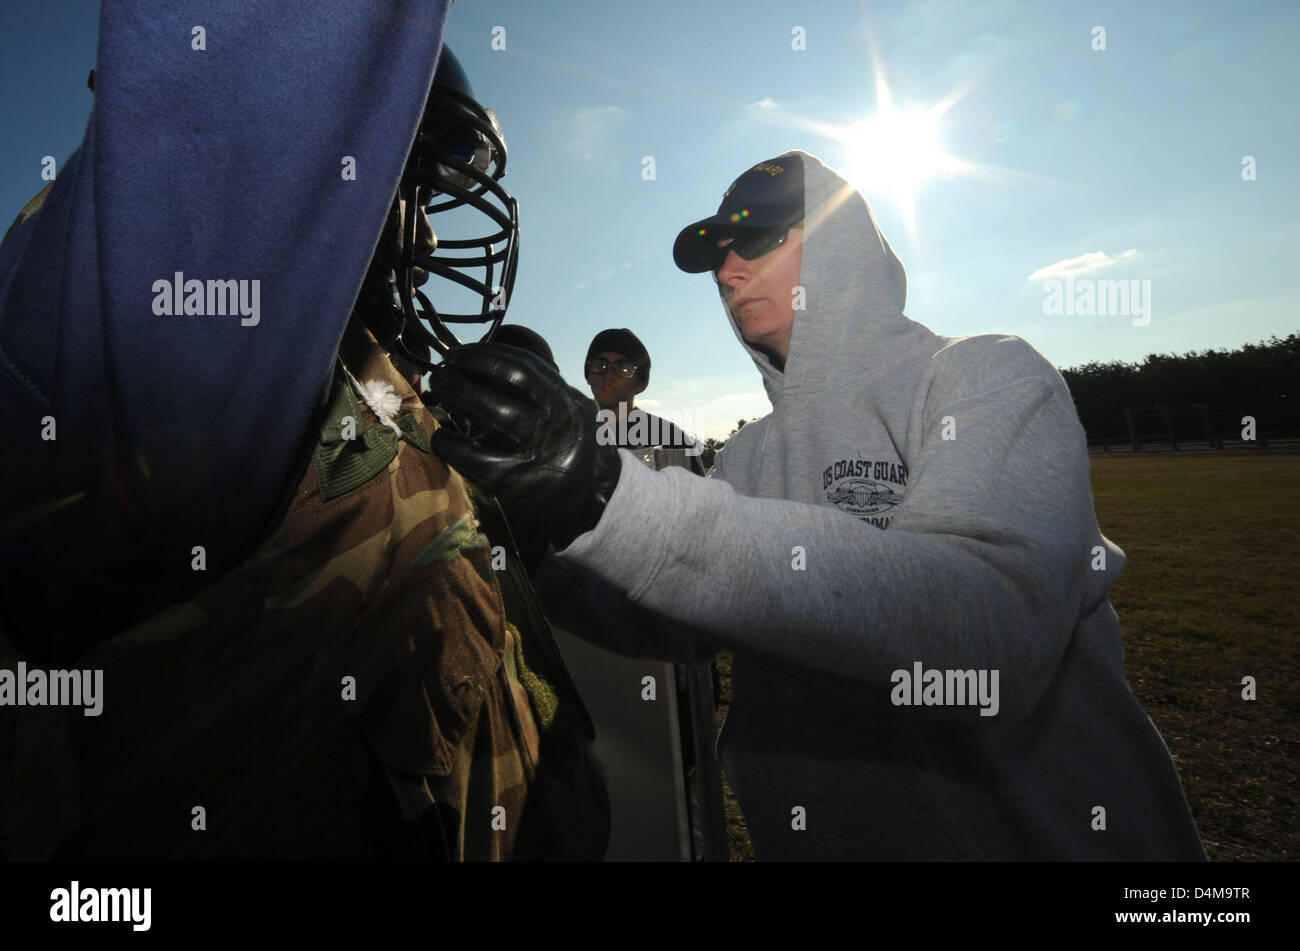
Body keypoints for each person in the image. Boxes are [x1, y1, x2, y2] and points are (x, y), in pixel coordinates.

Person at [427, 150, 1208, 860]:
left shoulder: (985, 375)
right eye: (714, 258)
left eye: (755, 239)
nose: (727, 272)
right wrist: (538, 535)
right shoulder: (750, 453)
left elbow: (992, 635)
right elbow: (673, 618)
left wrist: (603, 492)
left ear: (838, 242)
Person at [0, 3, 607, 861]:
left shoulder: (371, 392)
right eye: (414, 190)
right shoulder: (199, 348)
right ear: (322, 170)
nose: (429, 236)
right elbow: (256, 60)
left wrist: (537, 524)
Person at [585, 328, 706, 476]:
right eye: (600, 365)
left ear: (640, 384)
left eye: (623, 368)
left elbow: (690, 497)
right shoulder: (564, 433)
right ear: (588, 376)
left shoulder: (668, 438)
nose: (609, 374)